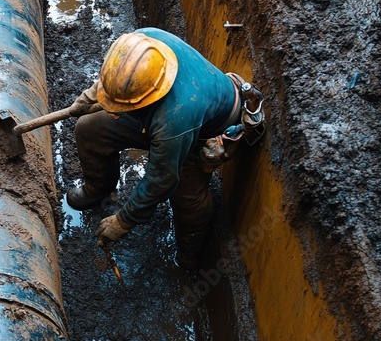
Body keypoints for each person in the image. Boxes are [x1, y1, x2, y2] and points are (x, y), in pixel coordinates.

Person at [64, 28, 264, 271]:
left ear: (146, 98)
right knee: (90, 127)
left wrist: (124, 221)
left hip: (204, 132)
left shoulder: (174, 121)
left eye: (119, 107)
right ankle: (97, 190)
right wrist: (92, 96)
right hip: (167, 108)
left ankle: (190, 256)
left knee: (187, 197)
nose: (113, 112)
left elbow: (161, 178)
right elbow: (121, 72)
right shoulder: (143, 42)